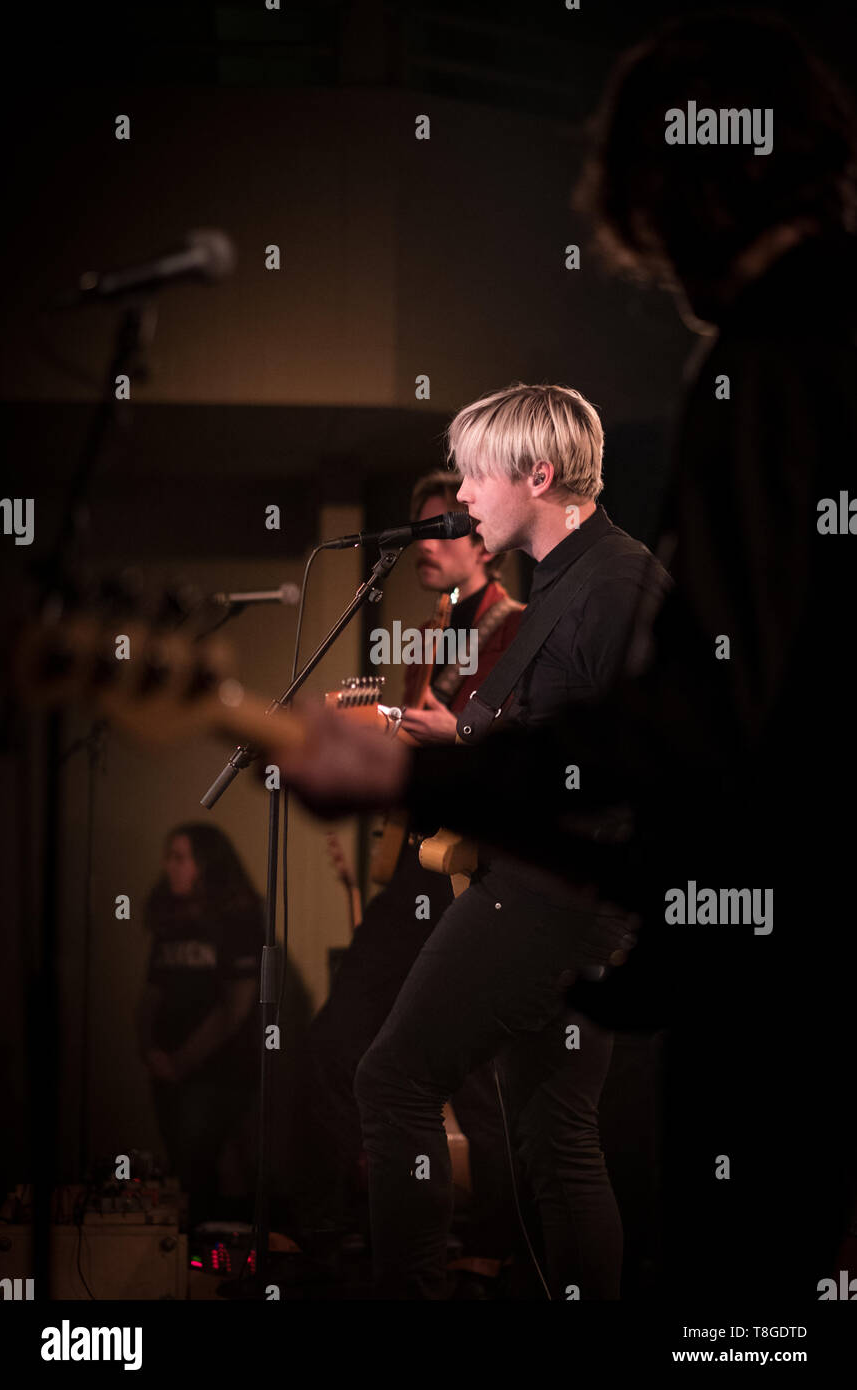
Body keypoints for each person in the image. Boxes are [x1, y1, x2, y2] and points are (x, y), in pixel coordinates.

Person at [275, 14, 857, 1300]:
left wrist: (417, 775)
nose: (647, 257)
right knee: (564, 1135)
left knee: (426, 1090)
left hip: (695, 924)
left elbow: (683, 728)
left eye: (645, 215)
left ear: (699, 178)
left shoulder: (771, 361)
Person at [300, 383, 670, 1299]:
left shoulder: (617, 584)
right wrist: (459, 743)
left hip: (554, 900)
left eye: (473, 476)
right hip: (564, 898)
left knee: (389, 1079)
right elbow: (561, 743)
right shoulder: (573, 576)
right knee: (557, 1138)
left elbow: (639, 764)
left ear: (539, 475)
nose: (460, 498)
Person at [295, 467, 527, 1288]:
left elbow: (514, 759)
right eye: (418, 530)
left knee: (469, 1073)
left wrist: (435, 736)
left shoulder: (513, 628)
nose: (425, 544)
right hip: (416, 869)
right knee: (339, 1047)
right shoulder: (434, 632)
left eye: (441, 528)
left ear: (479, 541)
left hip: (467, 873)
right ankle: (340, 1230)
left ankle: (499, 1243)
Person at [136, 823, 263, 1230]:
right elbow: (150, 994)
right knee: (182, 1169)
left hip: (216, 1072)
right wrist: (151, 1051)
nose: (168, 866)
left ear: (206, 864)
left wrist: (182, 1062)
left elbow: (237, 1005)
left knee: (211, 1166)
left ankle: (218, 1267)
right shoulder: (171, 918)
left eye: (180, 857)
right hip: (168, 1071)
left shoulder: (239, 916)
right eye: (168, 856)